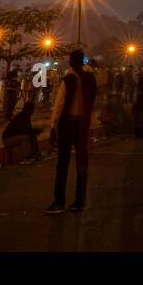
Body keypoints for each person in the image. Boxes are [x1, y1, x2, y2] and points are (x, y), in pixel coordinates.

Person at [45, 49, 97, 214]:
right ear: (82, 61)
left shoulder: (68, 79)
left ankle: (59, 201)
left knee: (62, 164)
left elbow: (59, 105)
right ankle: (79, 200)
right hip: (82, 124)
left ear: (70, 62)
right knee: (81, 162)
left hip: (67, 124)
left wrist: (52, 126)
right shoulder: (90, 78)